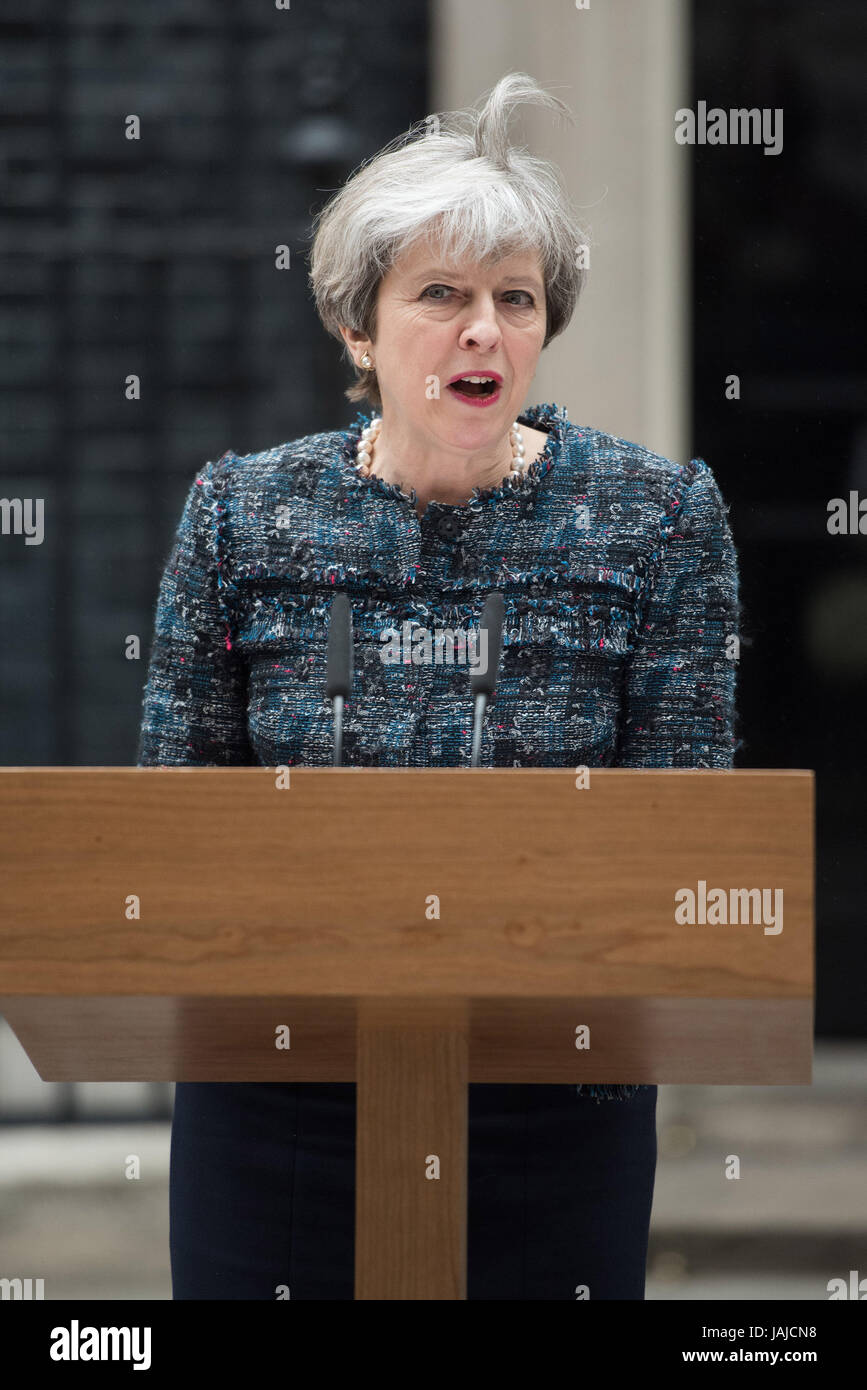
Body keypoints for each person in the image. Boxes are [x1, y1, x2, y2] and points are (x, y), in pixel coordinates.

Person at [137, 72, 740, 1300]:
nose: (484, 330)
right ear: (358, 329)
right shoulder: (242, 512)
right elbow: (176, 820)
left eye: (516, 300)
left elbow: (681, 830)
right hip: (282, 1092)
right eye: (443, 297)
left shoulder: (657, 516)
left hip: (553, 1094)